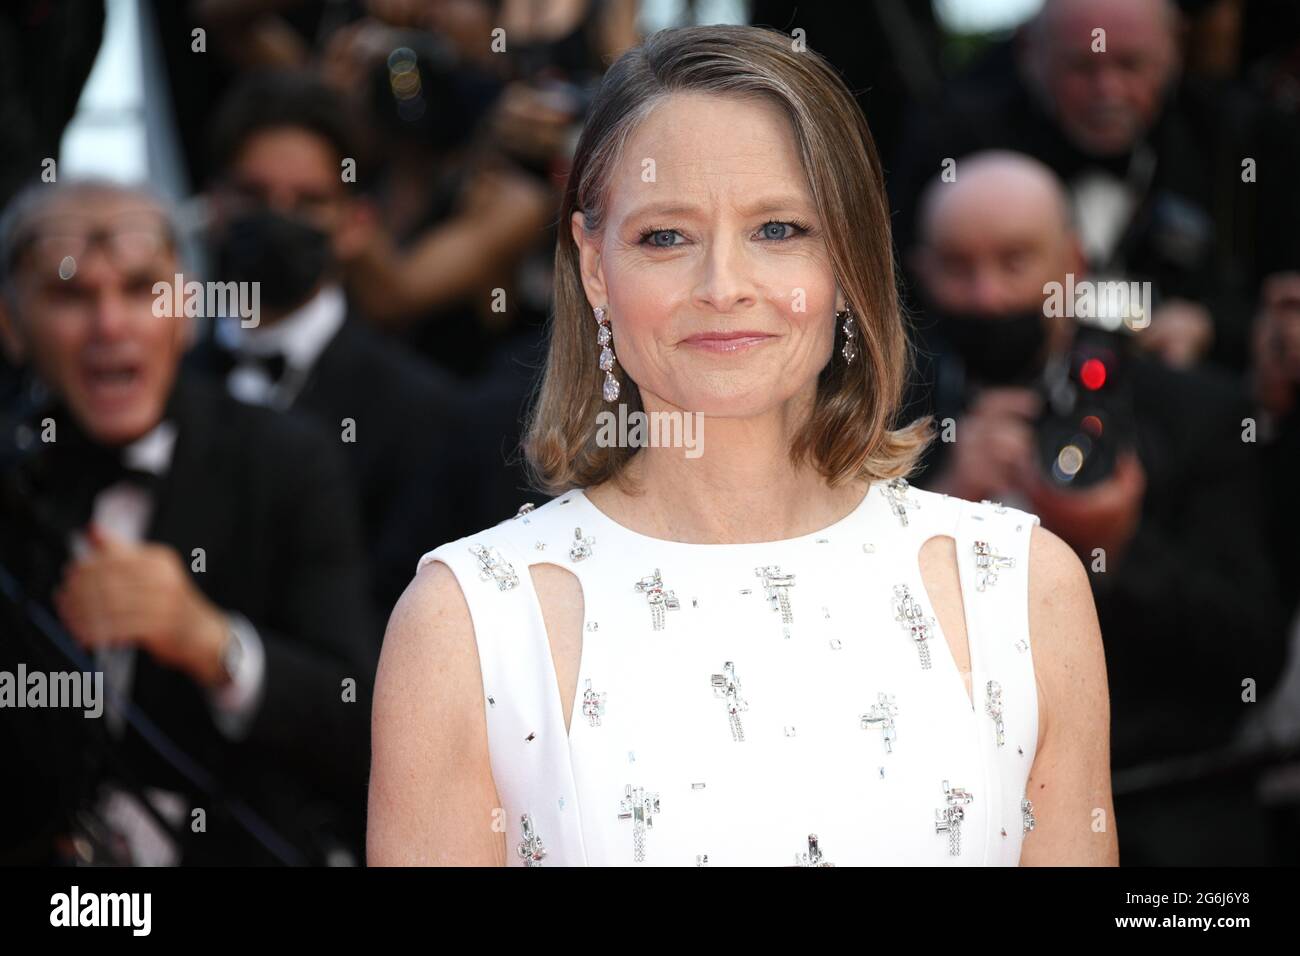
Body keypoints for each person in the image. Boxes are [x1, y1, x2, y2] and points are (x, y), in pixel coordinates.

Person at [368, 25, 1117, 867]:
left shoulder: (1021, 592)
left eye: (778, 230)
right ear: (592, 268)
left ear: (849, 259)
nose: (724, 287)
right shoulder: (466, 625)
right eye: (665, 237)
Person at [905, 150, 1287, 864]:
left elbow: (1253, 653)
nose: (987, 296)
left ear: (1073, 264)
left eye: (1016, 262)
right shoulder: (876, 423)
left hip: (1163, 819)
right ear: (921, 271)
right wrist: (938, 506)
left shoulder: (1189, 410)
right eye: (958, 268)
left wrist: (1115, 548)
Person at [0, 179, 374, 865]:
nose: (110, 325)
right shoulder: (12, 472)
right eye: (71, 296)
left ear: (186, 310)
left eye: (142, 290)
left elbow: (361, 719)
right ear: (11, 324)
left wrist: (211, 642)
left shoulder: (286, 461)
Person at [190, 70, 484, 627]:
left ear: (355, 224)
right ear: (215, 205)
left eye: (307, 202)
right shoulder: (164, 384)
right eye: (253, 194)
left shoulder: (423, 415)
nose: (277, 218)